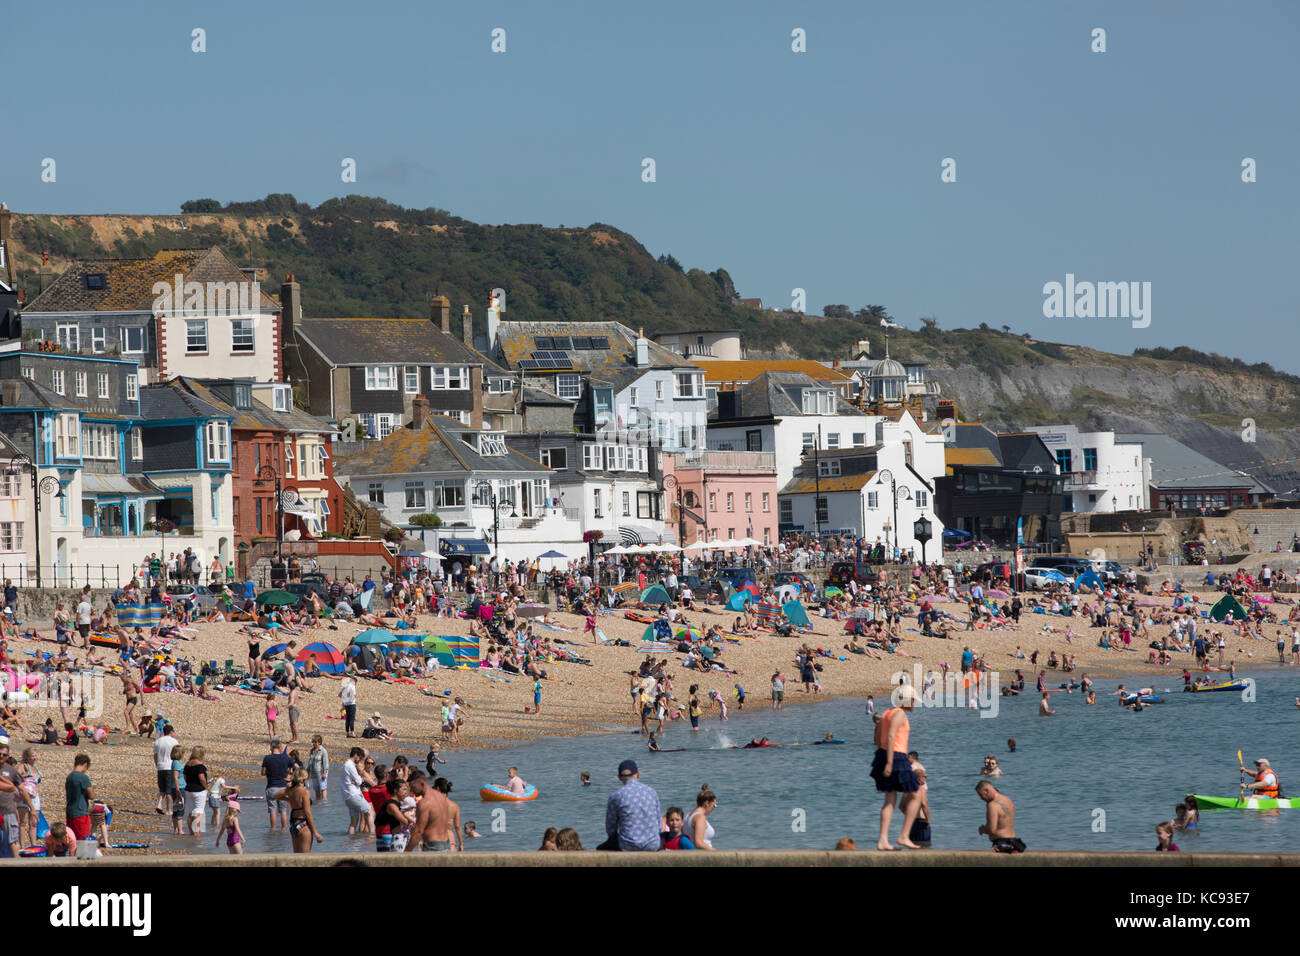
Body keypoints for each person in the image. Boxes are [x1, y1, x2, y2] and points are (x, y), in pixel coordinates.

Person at [872, 685, 921, 850]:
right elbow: (892, 735)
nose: (914, 703)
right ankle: (904, 836)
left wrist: (884, 756)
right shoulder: (900, 713)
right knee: (916, 794)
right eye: (913, 700)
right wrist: (890, 762)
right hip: (896, 756)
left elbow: (878, 738)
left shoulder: (886, 713)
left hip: (882, 753)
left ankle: (883, 841)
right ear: (908, 700)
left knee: (890, 798)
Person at [600, 760, 661, 851]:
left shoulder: (616, 796)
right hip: (653, 845)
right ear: (638, 774)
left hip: (627, 845)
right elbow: (659, 825)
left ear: (619, 777)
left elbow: (611, 828)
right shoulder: (652, 792)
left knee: (601, 848)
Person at [275, 767, 322, 853]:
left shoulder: (290, 790)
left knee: (296, 857)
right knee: (305, 858)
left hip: (294, 824)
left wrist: (288, 799)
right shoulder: (305, 792)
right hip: (303, 824)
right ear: (305, 777)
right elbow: (308, 813)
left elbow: (276, 795)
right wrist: (316, 833)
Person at [407, 771, 452, 852]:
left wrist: (405, 853)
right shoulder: (442, 797)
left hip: (433, 847)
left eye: (413, 787)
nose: (411, 791)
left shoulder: (424, 803)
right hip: (446, 845)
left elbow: (418, 832)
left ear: (422, 783)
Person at [0, 742, 31, 858]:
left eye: (4, 755)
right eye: (0, 754)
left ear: (8, 756)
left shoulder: (12, 771)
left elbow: (22, 789)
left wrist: (31, 808)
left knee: (12, 841)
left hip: (8, 810)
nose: (2, 756)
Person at [976, 780, 1024, 853]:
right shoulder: (1008, 800)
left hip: (1002, 843)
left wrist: (982, 829)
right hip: (1015, 842)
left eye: (981, 795)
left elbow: (992, 830)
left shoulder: (992, 804)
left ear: (986, 790)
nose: (981, 798)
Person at [260, 736, 295, 829]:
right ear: (279, 748)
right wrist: (291, 776)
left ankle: (273, 829)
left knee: (272, 810)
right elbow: (296, 766)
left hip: (271, 786)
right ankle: (284, 829)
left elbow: (263, 773)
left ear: (271, 747)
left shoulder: (267, 758)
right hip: (283, 787)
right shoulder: (285, 758)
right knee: (283, 810)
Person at [341, 747, 373, 835]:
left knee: (353, 822)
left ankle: (353, 844)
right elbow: (359, 781)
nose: (359, 760)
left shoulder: (345, 765)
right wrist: (361, 779)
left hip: (347, 796)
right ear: (356, 755)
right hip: (353, 795)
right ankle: (372, 835)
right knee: (369, 811)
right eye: (359, 757)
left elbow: (356, 780)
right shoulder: (350, 765)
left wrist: (357, 780)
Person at [64, 753, 95, 843]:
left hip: (70, 812)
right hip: (81, 812)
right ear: (85, 764)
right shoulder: (83, 777)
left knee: (71, 840)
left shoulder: (69, 777)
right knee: (83, 841)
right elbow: (91, 795)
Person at [181, 746, 209, 835]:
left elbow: (184, 777)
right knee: (198, 812)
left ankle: (191, 832)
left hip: (188, 789)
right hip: (199, 790)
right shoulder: (200, 766)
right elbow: (201, 778)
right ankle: (196, 832)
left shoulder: (188, 764)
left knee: (191, 812)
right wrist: (206, 787)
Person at [153, 723, 179, 815]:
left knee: (162, 788)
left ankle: (159, 805)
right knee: (169, 790)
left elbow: (155, 755)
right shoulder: (174, 742)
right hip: (169, 766)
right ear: (171, 732)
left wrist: (157, 765)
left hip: (160, 766)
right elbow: (176, 755)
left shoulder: (158, 741)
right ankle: (169, 810)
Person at [687, 784, 717, 850]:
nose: (714, 808)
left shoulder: (688, 816)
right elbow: (698, 843)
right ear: (706, 803)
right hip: (704, 855)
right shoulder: (700, 817)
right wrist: (715, 852)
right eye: (714, 805)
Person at [306, 735, 329, 803]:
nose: (313, 743)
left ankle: (324, 803)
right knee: (316, 789)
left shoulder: (323, 751)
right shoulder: (312, 750)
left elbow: (325, 763)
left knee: (323, 788)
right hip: (313, 772)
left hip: (321, 773)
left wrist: (324, 773)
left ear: (319, 742)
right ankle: (318, 803)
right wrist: (308, 771)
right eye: (313, 742)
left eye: (315, 742)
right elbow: (310, 761)